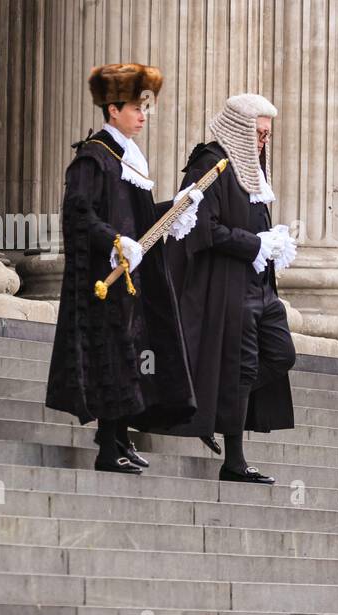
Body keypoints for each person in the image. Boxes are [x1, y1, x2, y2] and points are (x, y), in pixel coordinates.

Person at [45, 63, 199, 473]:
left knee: (131, 357)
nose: (143, 116)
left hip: (132, 280)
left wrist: (176, 210)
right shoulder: (93, 158)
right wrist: (114, 240)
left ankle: (118, 437)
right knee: (112, 358)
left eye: (144, 108)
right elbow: (79, 215)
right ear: (112, 110)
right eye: (135, 108)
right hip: (104, 279)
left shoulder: (128, 159)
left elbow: (141, 221)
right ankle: (108, 450)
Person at [161, 93, 297, 483]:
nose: (263, 142)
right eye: (258, 134)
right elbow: (204, 229)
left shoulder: (254, 170)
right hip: (228, 286)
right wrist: (255, 244)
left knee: (281, 354)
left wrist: (275, 240)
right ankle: (234, 461)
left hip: (260, 288)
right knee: (242, 368)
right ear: (239, 129)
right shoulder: (211, 163)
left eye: (267, 136)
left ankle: (210, 406)